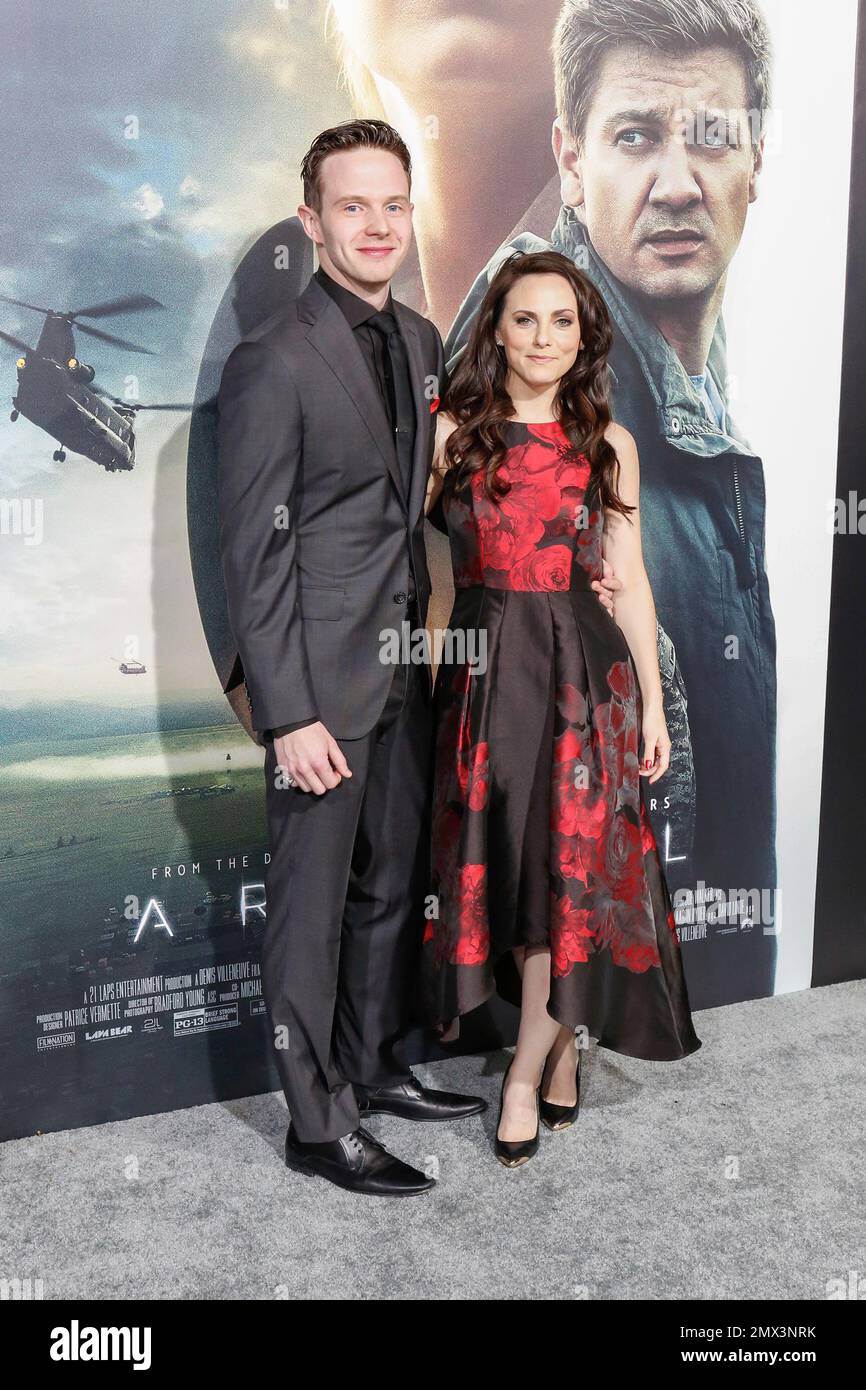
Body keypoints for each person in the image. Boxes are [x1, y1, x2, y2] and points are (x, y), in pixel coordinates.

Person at [446, 0, 778, 1010]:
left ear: (752, 162)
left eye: (711, 137)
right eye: (634, 136)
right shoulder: (536, 333)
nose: (676, 183)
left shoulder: (691, 365)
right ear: (570, 159)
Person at [216, 119, 492, 1198]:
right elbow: (251, 553)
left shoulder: (422, 342)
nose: (375, 225)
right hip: (317, 692)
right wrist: (287, 715)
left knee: (388, 893)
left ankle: (373, 1066)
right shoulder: (270, 359)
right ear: (310, 220)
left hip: (401, 668)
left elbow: (403, 509)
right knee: (311, 906)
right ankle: (315, 1121)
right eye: (351, 206)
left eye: (392, 205)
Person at [423, 250, 701, 1167]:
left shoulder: (604, 442)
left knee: (562, 877)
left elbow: (630, 584)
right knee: (504, 870)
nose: (545, 338)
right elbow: (402, 557)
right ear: (495, 329)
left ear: (584, 338)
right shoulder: (452, 432)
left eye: (563, 323)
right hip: (485, 675)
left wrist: (655, 708)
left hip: (587, 682)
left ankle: (522, 1072)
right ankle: (563, 1048)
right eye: (526, 319)